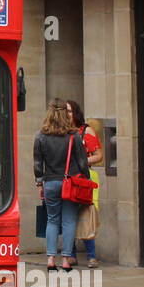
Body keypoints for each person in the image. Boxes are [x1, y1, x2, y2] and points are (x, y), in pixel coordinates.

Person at [34, 98, 89, 272]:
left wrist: (39, 184)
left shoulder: (40, 135)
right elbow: (82, 163)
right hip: (70, 183)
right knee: (69, 221)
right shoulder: (74, 135)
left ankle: (51, 259)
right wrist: (86, 181)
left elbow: (37, 164)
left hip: (50, 182)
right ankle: (66, 260)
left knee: (52, 220)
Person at [67, 100, 104, 268]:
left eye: (69, 111)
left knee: (87, 214)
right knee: (68, 215)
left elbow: (98, 155)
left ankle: (91, 256)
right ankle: (71, 254)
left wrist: (81, 161)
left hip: (84, 178)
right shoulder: (61, 132)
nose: (66, 115)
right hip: (67, 178)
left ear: (76, 112)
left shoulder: (85, 131)